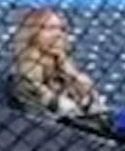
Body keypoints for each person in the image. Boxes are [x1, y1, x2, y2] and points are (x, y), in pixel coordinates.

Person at [8, 7, 112, 135]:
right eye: (50, 28)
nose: (58, 34)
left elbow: (99, 112)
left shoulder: (70, 75)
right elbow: (40, 120)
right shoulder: (24, 78)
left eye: (61, 29)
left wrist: (77, 78)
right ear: (33, 35)